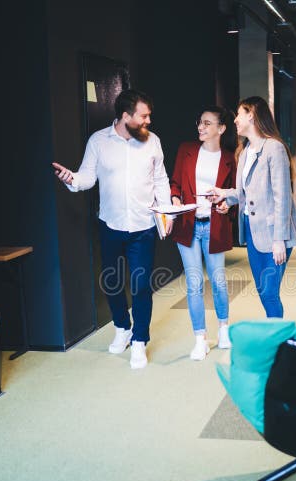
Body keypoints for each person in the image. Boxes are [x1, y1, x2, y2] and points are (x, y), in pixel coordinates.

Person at [52, 89, 173, 370]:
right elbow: (86, 177)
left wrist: (166, 214)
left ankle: (140, 340)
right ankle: (122, 327)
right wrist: (71, 179)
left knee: (141, 286)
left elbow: (161, 180)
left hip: (143, 226)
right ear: (125, 116)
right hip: (111, 224)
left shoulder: (152, 141)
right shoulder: (99, 141)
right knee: (112, 281)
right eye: (144, 115)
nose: (148, 121)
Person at [207, 96, 296, 318]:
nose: (236, 121)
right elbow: (245, 193)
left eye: (239, 115)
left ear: (251, 114)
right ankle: (277, 335)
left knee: (269, 293)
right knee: (262, 291)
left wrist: (279, 239)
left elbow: (283, 198)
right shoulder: (245, 151)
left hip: (274, 233)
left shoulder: (274, 148)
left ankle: (278, 341)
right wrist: (224, 195)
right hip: (251, 230)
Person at [169, 106, 238, 360]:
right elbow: (175, 182)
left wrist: (225, 206)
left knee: (218, 281)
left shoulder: (230, 158)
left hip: (214, 225)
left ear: (221, 129)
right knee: (194, 283)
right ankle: (200, 338)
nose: (201, 127)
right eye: (200, 122)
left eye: (207, 123)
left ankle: (223, 329)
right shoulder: (186, 150)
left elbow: (233, 194)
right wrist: (175, 198)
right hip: (188, 224)